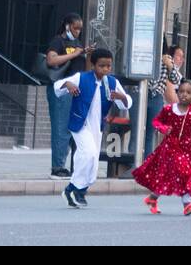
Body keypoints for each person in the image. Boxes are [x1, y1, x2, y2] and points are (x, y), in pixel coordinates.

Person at [52, 48, 132, 208]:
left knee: (93, 160)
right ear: (93, 65)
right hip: (79, 124)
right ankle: (73, 189)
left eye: (108, 66)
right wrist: (68, 84)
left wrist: (122, 97)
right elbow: (57, 86)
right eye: (102, 65)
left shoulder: (112, 82)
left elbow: (127, 102)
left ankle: (80, 190)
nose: (105, 69)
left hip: (97, 126)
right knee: (87, 154)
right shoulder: (81, 77)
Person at [133, 78, 191, 215]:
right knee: (182, 171)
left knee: (171, 175)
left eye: (188, 92)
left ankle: (152, 198)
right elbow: (156, 121)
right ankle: (187, 204)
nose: (184, 95)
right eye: (181, 91)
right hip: (169, 147)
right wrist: (163, 128)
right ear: (177, 93)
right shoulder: (169, 109)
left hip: (186, 148)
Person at [45, 14, 88, 179]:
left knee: (71, 128)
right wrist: (74, 54)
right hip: (61, 88)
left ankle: (68, 165)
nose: (77, 32)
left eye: (80, 29)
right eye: (75, 28)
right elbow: (51, 60)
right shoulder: (58, 41)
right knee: (60, 127)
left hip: (75, 89)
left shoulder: (77, 44)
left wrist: (85, 53)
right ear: (67, 26)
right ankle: (57, 167)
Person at [143, 43, 184, 159]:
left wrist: (169, 66)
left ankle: (146, 163)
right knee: (138, 132)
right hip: (141, 93)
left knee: (150, 133)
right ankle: (132, 164)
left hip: (156, 96)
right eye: (179, 56)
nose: (182, 59)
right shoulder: (144, 56)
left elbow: (176, 79)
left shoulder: (167, 59)